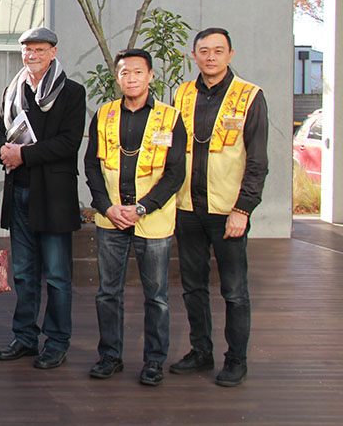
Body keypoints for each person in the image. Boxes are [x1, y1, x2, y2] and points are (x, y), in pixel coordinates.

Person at [170, 27, 268, 387]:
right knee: (193, 286)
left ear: (230, 55)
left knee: (234, 291)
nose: (210, 57)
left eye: (218, 50)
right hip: (187, 207)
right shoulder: (181, 94)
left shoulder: (249, 96)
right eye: (204, 51)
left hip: (228, 210)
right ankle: (201, 351)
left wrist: (243, 208)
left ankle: (236, 359)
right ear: (194, 55)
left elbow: (257, 160)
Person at [84, 48, 187, 386]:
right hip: (111, 217)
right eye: (124, 72)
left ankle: (154, 361)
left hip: (151, 219)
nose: (131, 78)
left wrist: (143, 207)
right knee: (107, 292)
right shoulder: (104, 114)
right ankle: (109, 356)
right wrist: (106, 206)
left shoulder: (170, 118)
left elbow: (175, 173)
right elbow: (91, 165)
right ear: (117, 77)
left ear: (150, 76)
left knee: (156, 296)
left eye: (138, 72)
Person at [0, 26, 86, 370]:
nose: (32, 55)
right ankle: (25, 337)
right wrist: (3, 151)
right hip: (19, 192)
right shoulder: (12, 90)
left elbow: (69, 143)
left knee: (57, 276)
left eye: (40, 50)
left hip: (54, 197)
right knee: (23, 273)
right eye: (27, 50)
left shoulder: (71, 92)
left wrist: (23, 155)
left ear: (53, 52)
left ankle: (57, 342)